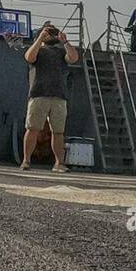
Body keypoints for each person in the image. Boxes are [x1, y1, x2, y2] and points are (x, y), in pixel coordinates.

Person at [21, 23, 79, 172]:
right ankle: (26, 160)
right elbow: (29, 57)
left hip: (59, 96)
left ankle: (59, 163)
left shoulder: (61, 52)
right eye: (48, 31)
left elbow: (73, 58)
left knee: (58, 131)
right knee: (32, 128)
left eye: (53, 32)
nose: (52, 34)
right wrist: (40, 38)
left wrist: (65, 41)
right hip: (39, 94)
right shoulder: (38, 50)